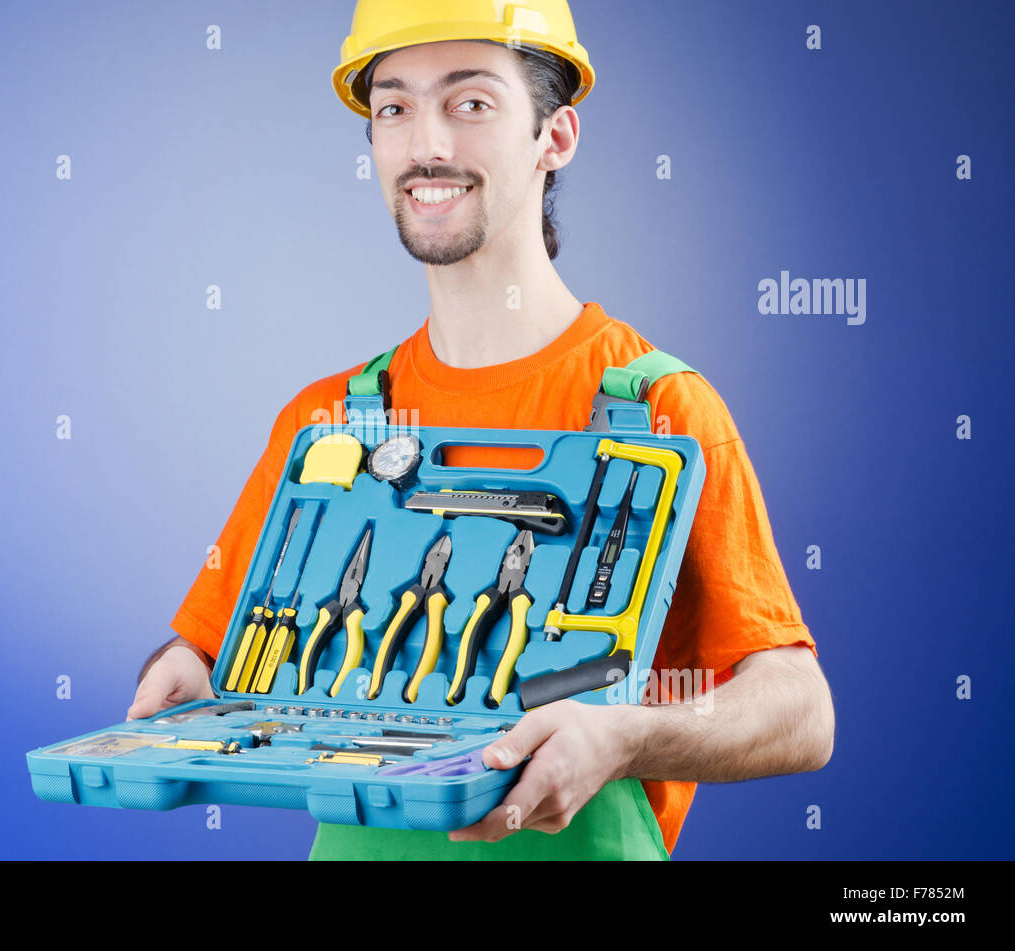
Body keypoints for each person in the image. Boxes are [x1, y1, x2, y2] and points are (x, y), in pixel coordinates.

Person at [126, 0, 835, 860]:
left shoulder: (660, 410)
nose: (428, 145)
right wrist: (188, 678)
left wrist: (630, 737)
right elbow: (208, 651)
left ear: (556, 137)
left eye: (471, 103)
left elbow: (802, 709)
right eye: (394, 107)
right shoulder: (332, 423)